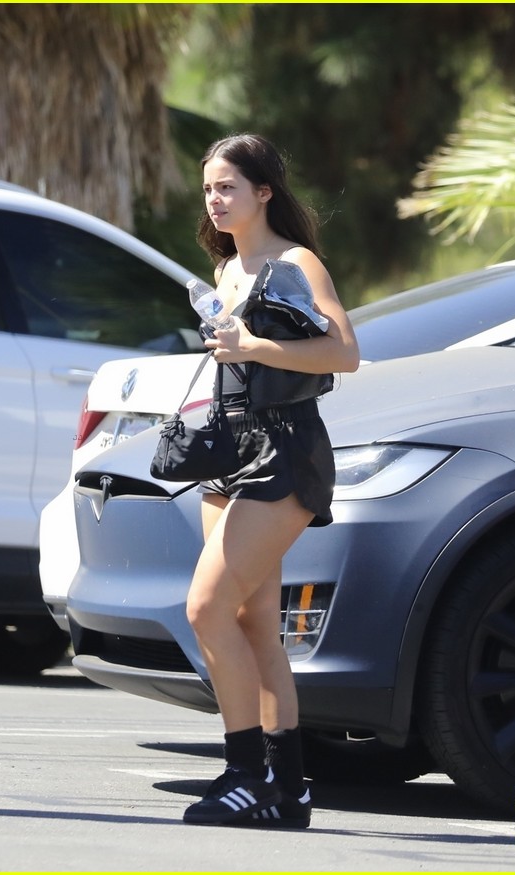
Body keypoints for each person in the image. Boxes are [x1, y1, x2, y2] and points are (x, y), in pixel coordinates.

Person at [181, 134, 359, 827]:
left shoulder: (295, 261)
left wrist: (252, 344)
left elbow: (344, 351)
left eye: (227, 187)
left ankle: (243, 772)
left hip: (286, 455)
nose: (214, 200)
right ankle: (289, 788)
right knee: (255, 622)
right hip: (233, 451)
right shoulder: (227, 268)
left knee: (205, 608)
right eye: (207, 189)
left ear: (264, 192)